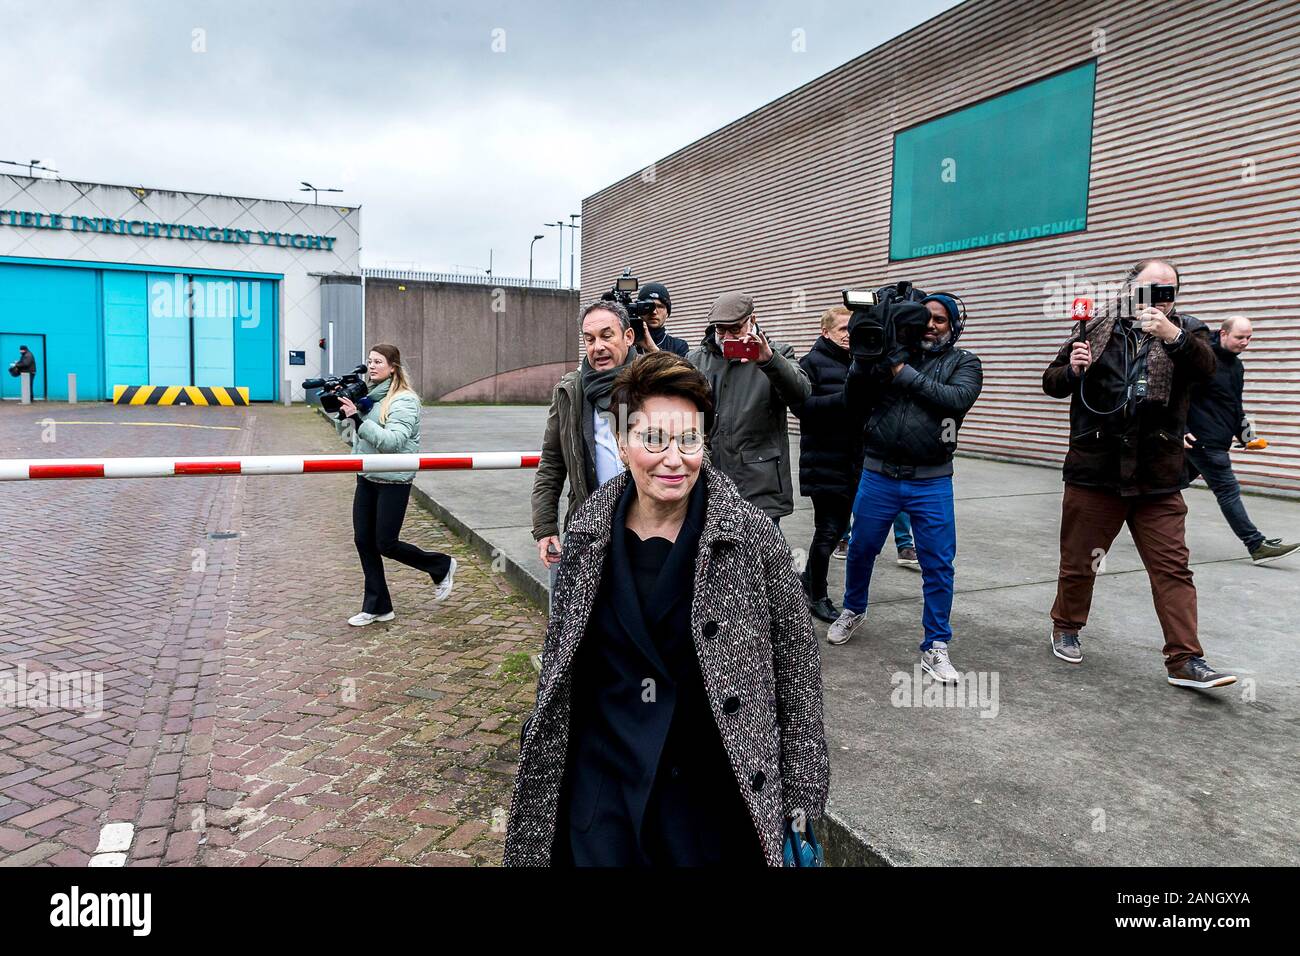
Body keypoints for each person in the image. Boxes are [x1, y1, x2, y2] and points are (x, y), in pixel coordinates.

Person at [505, 352, 829, 867]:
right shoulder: (588, 530)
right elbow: (563, 663)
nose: (673, 459)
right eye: (654, 439)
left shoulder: (751, 538)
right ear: (622, 441)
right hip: (602, 796)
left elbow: (796, 676)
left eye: (689, 440)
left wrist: (803, 801)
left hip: (712, 802)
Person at [1042, 258, 1236, 689]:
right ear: (1129, 288)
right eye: (1150, 289)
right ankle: (1066, 626)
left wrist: (1175, 337)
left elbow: (1207, 370)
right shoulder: (1094, 327)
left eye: (1167, 291)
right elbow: (1051, 382)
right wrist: (1073, 370)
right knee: (1080, 563)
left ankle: (1185, 660)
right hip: (1096, 470)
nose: (1158, 299)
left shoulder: (1189, 331)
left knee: (1173, 568)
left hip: (1158, 477)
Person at [828, 292, 982, 689]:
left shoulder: (964, 363)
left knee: (938, 564)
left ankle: (936, 644)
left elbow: (954, 400)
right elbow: (852, 400)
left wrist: (899, 368)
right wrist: (867, 360)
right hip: (878, 473)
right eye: (925, 319)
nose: (931, 327)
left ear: (954, 326)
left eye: (941, 320)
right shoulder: (889, 354)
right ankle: (853, 608)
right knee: (860, 549)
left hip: (931, 479)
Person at [337, 344, 455, 627]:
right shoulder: (369, 397)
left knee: (385, 543)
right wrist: (346, 418)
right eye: (369, 361)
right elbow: (354, 441)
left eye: (378, 361)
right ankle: (378, 606)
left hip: (393, 480)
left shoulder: (404, 400)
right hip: (366, 476)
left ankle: (441, 565)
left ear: (393, 367)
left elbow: (393, 442)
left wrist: (358, 418)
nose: (372, 366)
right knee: (363, 540)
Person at [531, 300, 639, 578]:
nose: (597, 347)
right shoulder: (569, 390)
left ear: (628, 336)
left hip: (649, 527)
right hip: (589, 525)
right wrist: (545, 528)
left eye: (606, 335)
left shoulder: (657, 382)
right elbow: (552, 463)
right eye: (589, 339)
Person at [686, 291, 811, 526]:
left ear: (752, 320)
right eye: (720, 330)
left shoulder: (779, 353)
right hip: (708, 481)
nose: (726, 337)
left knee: (761, 557)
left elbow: (801, 395)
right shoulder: (696, 359)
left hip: (759, 485)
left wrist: (769, 361)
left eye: (735, 329)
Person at [1185, 316, 1297, 564]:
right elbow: (1175, 395)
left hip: (1216, 439)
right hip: (1202, 439)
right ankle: (1256, 545)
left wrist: (1247, 436)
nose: (1245, 342)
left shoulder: (1236, 366)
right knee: (1228, 490)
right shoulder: (1201, 359)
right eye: (1240, 337)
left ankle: (1121, 504)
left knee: (1168, 482)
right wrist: (1180, 429)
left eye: (1249, 338)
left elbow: (1235, 405)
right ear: (1223, 334)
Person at [792, 306, 861, 622]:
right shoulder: (811, 364)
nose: (849, 334)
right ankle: (816, 595)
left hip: (854, 461)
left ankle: (808, 580)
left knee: (836, 532)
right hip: (825, 461)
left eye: (852, 328)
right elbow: (804, 408)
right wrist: (846, 399)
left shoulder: (860, 361)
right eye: (842, 329)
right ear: (825, 332)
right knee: (829, 530)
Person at [635, 282, 689, 357]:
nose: (654, 312)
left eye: (660, 306)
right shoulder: (627, 343)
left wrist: (653, 349)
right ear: (639, 310)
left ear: (667, 313)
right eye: (648, 306)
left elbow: (680, 369)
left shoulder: (679, 346)